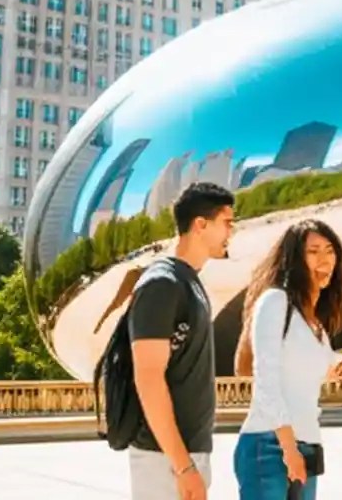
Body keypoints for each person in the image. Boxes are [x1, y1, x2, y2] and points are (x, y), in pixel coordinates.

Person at [234, 219, 342, 500]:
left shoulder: (315, 324)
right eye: (313, 251)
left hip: (307, 443)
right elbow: (265, 378)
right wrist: (288, 448)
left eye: (329, 250)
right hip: (269, 445)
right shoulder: (275, 302)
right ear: (295, 260)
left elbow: (318, 361)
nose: (324, 259)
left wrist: (341, 362)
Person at [128, 182, 235, 500]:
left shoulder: (189, 282)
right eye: (227, 223)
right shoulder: (163, 284)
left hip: (184, 454)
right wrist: (183, 466)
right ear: (201, 225)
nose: (232, 232)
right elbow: (148, 378)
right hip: (164, 459)